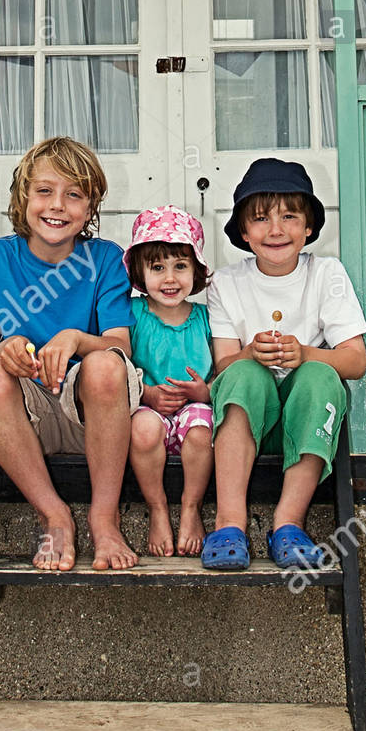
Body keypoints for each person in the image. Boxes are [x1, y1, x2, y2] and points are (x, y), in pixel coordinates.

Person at [0, 137, 143, 572]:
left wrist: (75, 337)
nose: (58, 205)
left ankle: (105, 520)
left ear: (90, 208)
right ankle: (54, 516)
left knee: (106, 364)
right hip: (26, 421)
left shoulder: (105, 258)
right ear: (23, 197)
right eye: (45, 191)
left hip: (90, 414)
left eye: (74, 195)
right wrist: (5, 350)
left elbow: (120, 345)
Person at [200, 158, 366, 571]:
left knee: (320, 376)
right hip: (244, 423)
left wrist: (306, 354)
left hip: (302, 423)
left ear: (309, 226)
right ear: (243, 231)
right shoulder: (225, 282)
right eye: (260, 219)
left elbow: (356, 360)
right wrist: (249, 353)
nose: (275, 230)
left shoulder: (326, 273)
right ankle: (229, 523)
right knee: (243, 373)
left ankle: (288, 523)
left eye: (289, 216)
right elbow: (223, 367)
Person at [122, 207, 214, 558]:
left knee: (201, 430)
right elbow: (121, 363)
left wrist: (204, 391)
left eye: (180, 266)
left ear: (196, 271)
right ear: (141, 274)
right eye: (157, 268)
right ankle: (158, 509)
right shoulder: (134, 314)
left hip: (195, 410)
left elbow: (220, 370)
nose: (170, 278)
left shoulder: (205, 317)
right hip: (147, 407)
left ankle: (191, 509)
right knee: (143, 431)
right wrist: (146, 395)